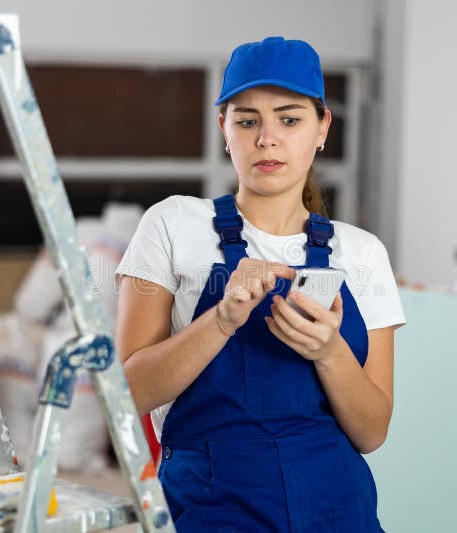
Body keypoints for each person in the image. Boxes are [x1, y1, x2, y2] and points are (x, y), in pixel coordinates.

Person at [115, 36, 406, 532]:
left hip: (338, 508)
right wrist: (221, 321)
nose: (266, 138)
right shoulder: (172, 225)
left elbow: (372, 431)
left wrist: (329, 350)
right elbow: (125, 394)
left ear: (322, 128)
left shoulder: (361, 253)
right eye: (247, 120)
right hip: (213, 508)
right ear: (223, 128)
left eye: (289, 119)